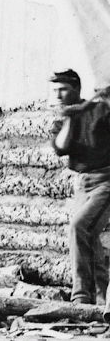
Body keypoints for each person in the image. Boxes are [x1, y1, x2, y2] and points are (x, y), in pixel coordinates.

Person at [49, 69, 110, 304]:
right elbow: (61, 147)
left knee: (78, 227)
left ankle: (81, 295)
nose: (58, 95)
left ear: (76, 89)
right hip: (82, 184)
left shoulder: (100, 111)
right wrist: (70, 118)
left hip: (105, 181)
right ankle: (102, 296)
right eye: (54, 90)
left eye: (63, 89)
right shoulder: (64, 119)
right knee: (89, 236)